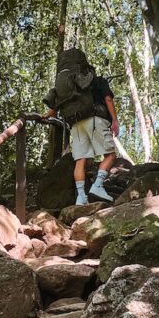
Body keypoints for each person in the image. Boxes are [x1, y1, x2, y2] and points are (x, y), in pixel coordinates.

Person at [43, 47, 119, 205]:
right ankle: (98, 186)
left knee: (81, 160)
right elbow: (108, 100)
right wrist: (115, 121)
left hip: (75, 124)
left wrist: (46, 116)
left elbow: (52, 109)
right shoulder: (97, 81)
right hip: (95, 118)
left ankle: (81, 197)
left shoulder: (68, 85)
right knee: (110, 155)